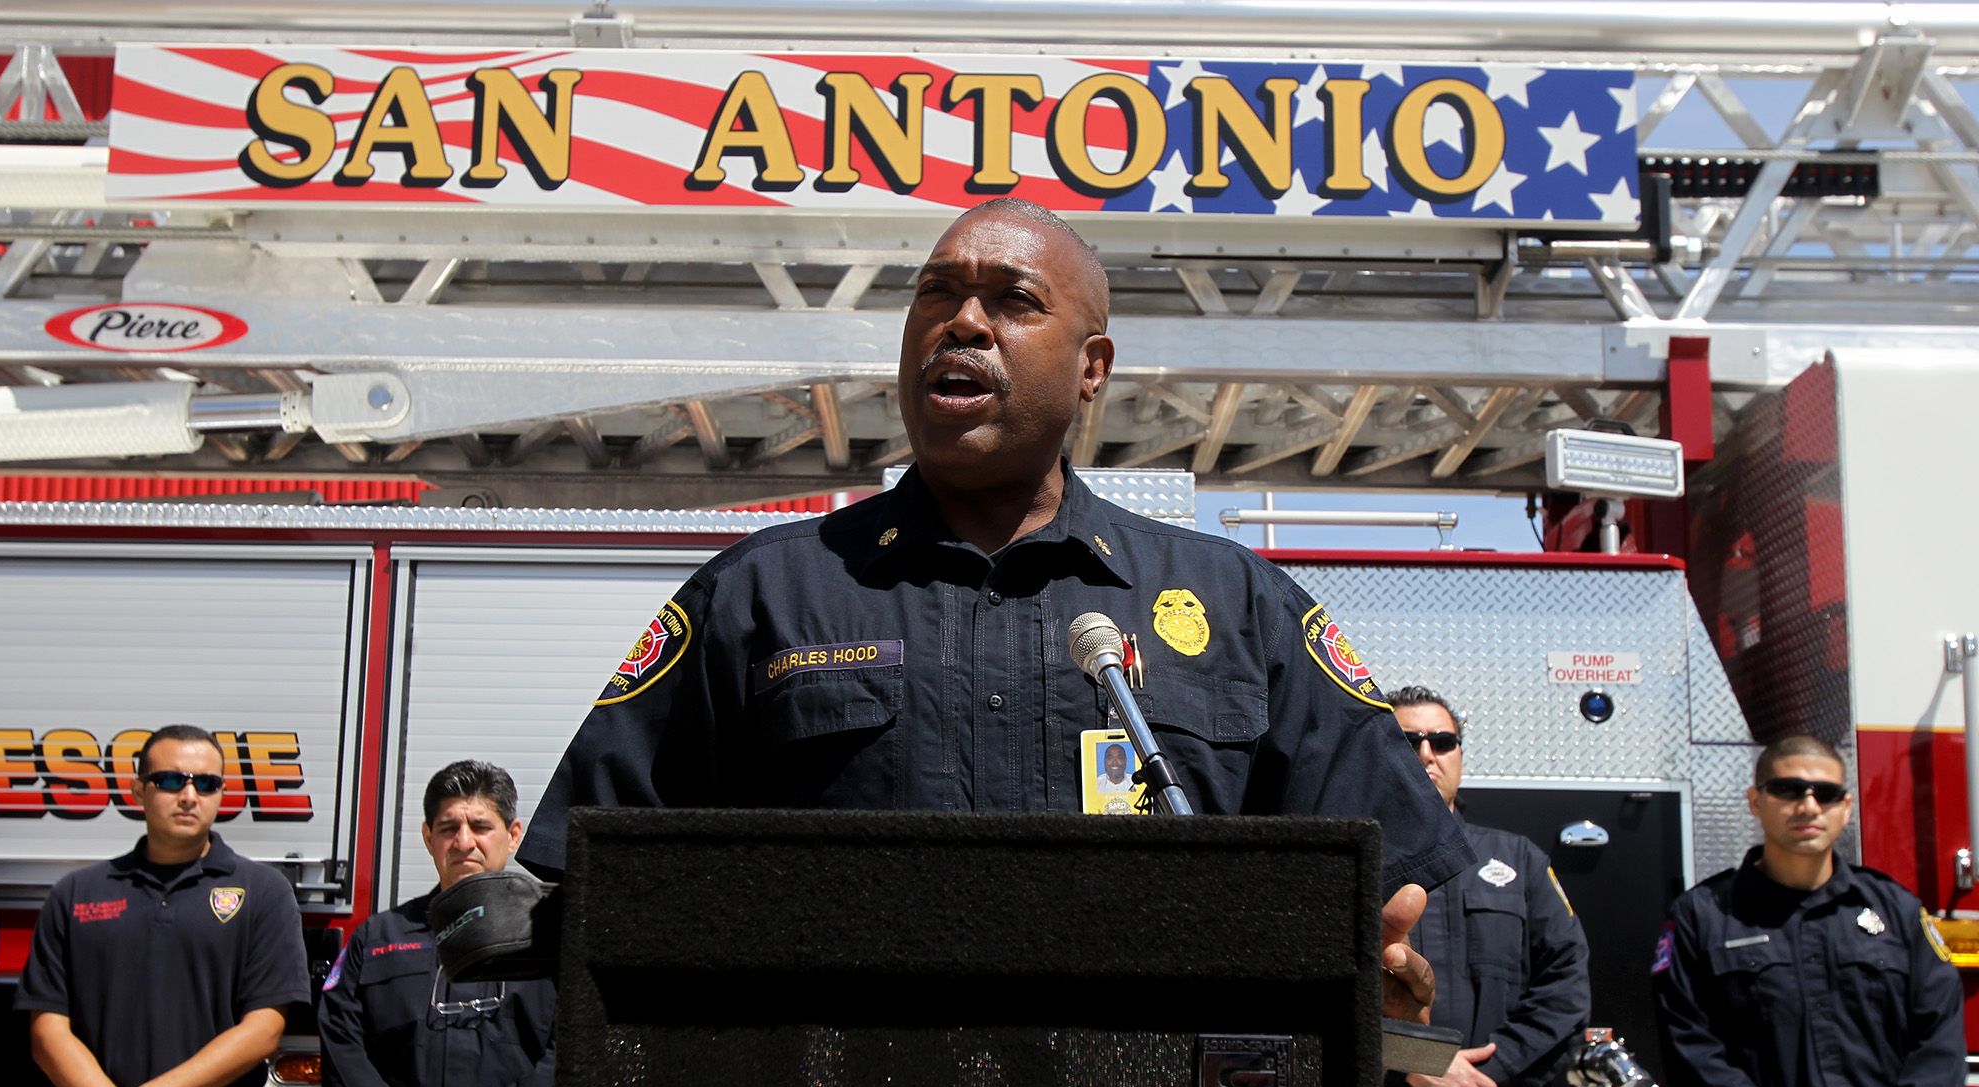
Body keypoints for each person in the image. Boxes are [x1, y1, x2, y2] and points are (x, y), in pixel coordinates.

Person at [521, 196, 1471, 1019]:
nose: (962, 321)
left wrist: (1358, 959)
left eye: (1013, 300)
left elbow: (1372, 883)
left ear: (1093, 365)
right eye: (937, 293)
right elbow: (605, 877)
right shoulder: (760, 595)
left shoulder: (1238, 603)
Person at [1655, 735, 1963, 1087]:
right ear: (1756, 800)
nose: (1808, 805)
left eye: (1825, 792)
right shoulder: (1702, 917)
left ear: (1846, 806)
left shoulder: (1897, 910)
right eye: (1788, 789)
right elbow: (1692, 1054)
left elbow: (1940, 1041)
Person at [17, 724, 308, 1087]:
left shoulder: (263, 893)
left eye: (206, 782)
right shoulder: (78, 894)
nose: (189, 794)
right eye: (170, 779)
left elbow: (263, 1028)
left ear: (222, 793)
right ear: (138, 789)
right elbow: (46, 1031)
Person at [1384, 686, 1591, 1087]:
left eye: (1442, 741)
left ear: (1459, 755)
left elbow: (1566, 989)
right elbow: (1326, 997)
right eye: (1407, 741)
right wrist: (1423, 1065)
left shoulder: (1520, 862)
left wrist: (1486, 1076)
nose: (1427, 753)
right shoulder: (1352, 867)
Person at [320, 761, 555, 1087]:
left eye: (481, 826)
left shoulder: (555, 939)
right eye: (448, 827)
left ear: (512, 835)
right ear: (428, 838)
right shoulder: (377, 939)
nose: (464, 841)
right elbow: (342, 1055)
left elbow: (574, 1058)